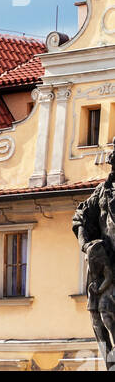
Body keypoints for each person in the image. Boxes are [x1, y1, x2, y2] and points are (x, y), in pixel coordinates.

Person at [73, 145, 115, 370]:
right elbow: (79, 218)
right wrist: (88, 247)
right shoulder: (103, 191)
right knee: (103, 312)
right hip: (107, 263)